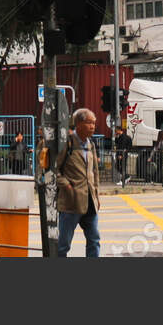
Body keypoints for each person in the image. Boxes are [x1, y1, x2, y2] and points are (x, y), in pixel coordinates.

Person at [56, 108, 100, 257]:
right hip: (71, 203)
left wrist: (97, 195)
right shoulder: (67, 143)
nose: (93, 126)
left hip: (90, 203)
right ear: (78, 124)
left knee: (94, 240)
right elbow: (54, 170)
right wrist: (66, 185)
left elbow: (94, 172)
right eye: (89, 123)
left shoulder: (91, 145)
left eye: (94, 123)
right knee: (63, 245)